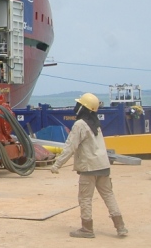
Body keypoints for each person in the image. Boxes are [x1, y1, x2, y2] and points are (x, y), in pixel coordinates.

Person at [51, 93, 128, 238]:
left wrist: (57, 164)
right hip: (103, 166)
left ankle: (87, 228)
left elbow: (70, 147)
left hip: (89, 168)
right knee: (108, 195)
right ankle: (120, 227)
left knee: (85, 198)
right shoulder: (96, 124)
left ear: (83, 108)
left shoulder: (80, 124)